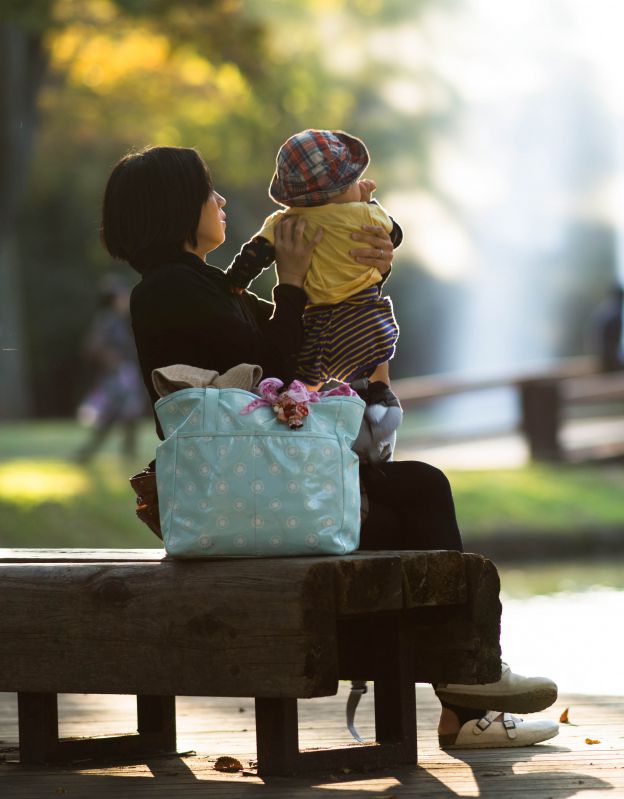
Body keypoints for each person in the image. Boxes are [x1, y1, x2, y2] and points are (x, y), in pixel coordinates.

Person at [101, 145, 559, 750]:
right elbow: (282, 363)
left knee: (412, 499)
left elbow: (302, 340)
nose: (220, 201)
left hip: (259, 477)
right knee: (420, 492)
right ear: (173, 209)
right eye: (206, 191)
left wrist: (363, 260)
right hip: (244, 489)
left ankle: (467, 697)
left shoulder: (198, 284)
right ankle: (471, 688)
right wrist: (290, 281)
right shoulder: (166, 291)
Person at [224, 129, 404, 464]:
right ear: (343, 188)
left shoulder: (285, 222)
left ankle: (298, 403)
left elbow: (254, 254)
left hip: (318, 323)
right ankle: (379, 402)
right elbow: (394, 233)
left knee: (306, 375)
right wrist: (367, 203)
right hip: (365, 313)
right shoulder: (366, 213)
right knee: (373, 359)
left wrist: (235, 282)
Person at [75, 277, 146, 464]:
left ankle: (123, 453)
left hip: (124, 374)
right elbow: (93, 345)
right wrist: (113, 361)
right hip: (119, 376)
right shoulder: (108, 319)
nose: (126, 300)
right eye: (122, 297)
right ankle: (89, 454)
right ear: (115, 300)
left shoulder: (115, 320)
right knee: (118, 414)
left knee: (129, 413)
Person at [593, 284, 624, 373]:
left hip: (602, 360)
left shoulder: (606, 310)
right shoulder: (616, 315)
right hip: (609, 362)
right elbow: (615, 346)